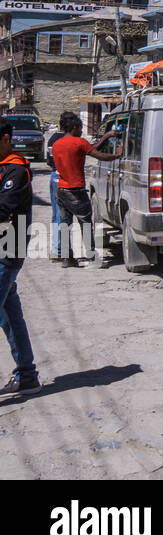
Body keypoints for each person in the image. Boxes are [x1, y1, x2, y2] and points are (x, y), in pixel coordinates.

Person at [50, 112, 121, 268]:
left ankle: (67, 259)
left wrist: (107, 136)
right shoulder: (78, 142)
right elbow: (98, 155)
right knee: (86, 224)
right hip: (76, 190)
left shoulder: (57, 145)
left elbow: (88, 149)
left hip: (61, 189)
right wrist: (117, 155)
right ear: (74, 127)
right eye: (80, 128)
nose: (82, 131)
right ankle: (92, 257)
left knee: (64, 224)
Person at [0, 121, 40, 396]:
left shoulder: (17, 170)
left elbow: (4, 209)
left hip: (8, 249)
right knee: (10, 316)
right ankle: (27, 376)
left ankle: (27, 375)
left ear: (5, 138)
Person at [44, 125, 64, 260]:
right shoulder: (71, 139)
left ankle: (56, 249)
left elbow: (48, 161)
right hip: (65, 178)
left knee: (56, 214)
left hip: (54, 176)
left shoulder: (52, 139)